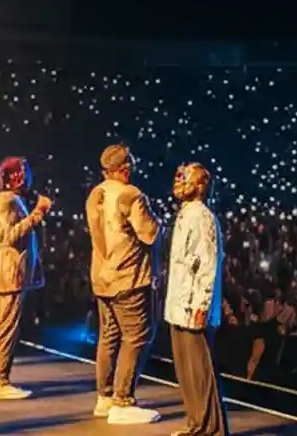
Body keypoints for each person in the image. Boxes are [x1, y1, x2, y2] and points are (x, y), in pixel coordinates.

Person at [86, 144, 161, 424]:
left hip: (102, 277)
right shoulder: (131, 194)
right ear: (125, 168)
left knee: (108, 336)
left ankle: (104, 398)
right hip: (127, 276)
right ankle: (123, 400)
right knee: (137, 335)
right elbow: (150, 233)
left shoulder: (95, 194)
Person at [165, 162, 230, 436]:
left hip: (193, 306)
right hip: (179, 304)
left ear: (200, 185)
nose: (179, 180)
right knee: (186, 371)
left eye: (186, 177)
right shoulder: (185, 214)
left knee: (200, 372)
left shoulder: (202, 217)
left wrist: (202, 304)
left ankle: (210, 429)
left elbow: (208, 263)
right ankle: (195, 424)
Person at [0, 156, 52, 400]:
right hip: (7, 270)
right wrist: (37, 214)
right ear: (15, 175)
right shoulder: (6, 200)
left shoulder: (9, 200)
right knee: (6, 327)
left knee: (6, 327)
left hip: (8, 269)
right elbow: (7, 236)